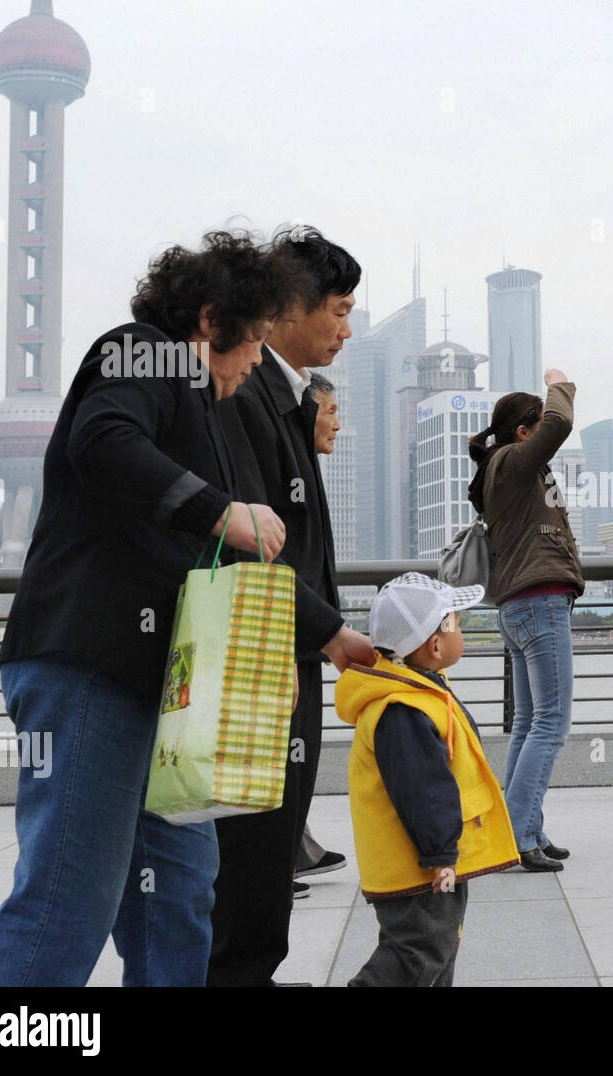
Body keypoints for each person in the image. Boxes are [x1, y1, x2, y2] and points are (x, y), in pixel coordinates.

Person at [0, 231, 293, 986]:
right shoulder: (144, 350)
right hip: (90, 664)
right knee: (68, 897)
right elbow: (103, 439)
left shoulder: (201, 404)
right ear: (210, 319)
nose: (254, 363)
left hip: (159, 689)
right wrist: (222, 511)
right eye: (251, 343)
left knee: (178, 897)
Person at [211, 227, 375, 986]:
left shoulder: (290, 397)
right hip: (264, 656)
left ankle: (253, 972)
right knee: (253, 847)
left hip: (291, 647)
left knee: (271, 844)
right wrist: (331, 631)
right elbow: (260, 544)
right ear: (286, 311)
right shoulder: (248, 393)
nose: (346, 328)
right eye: (339, 310)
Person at [336, 573, 518, 986]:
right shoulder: (404, 710)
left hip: (427, 862)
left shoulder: (420, 693)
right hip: (418, 869)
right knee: (416, 955)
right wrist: (440, 855)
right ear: (435, 645)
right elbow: (424, 791)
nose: (462, 631)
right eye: (456, 623)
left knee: (437, 950)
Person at [467, 370, 584, 872]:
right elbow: (558, 422)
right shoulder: (515, 462)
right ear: (523, 432)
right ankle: (518, 832)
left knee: (527, 724)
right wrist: (561, 383)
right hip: (539, 602)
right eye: (534, 428)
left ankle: (522, 826)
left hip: (520, 605)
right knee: (550, 723)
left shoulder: (506, 467)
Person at [293, 371, 348, 882]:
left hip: (309, 634)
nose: (337, 424)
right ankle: (282, 859)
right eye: (330, 412)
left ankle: (293, 850)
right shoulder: (286, 460)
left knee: (300, 757)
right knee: (286, 755)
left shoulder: (306, 465)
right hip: (291, 633)